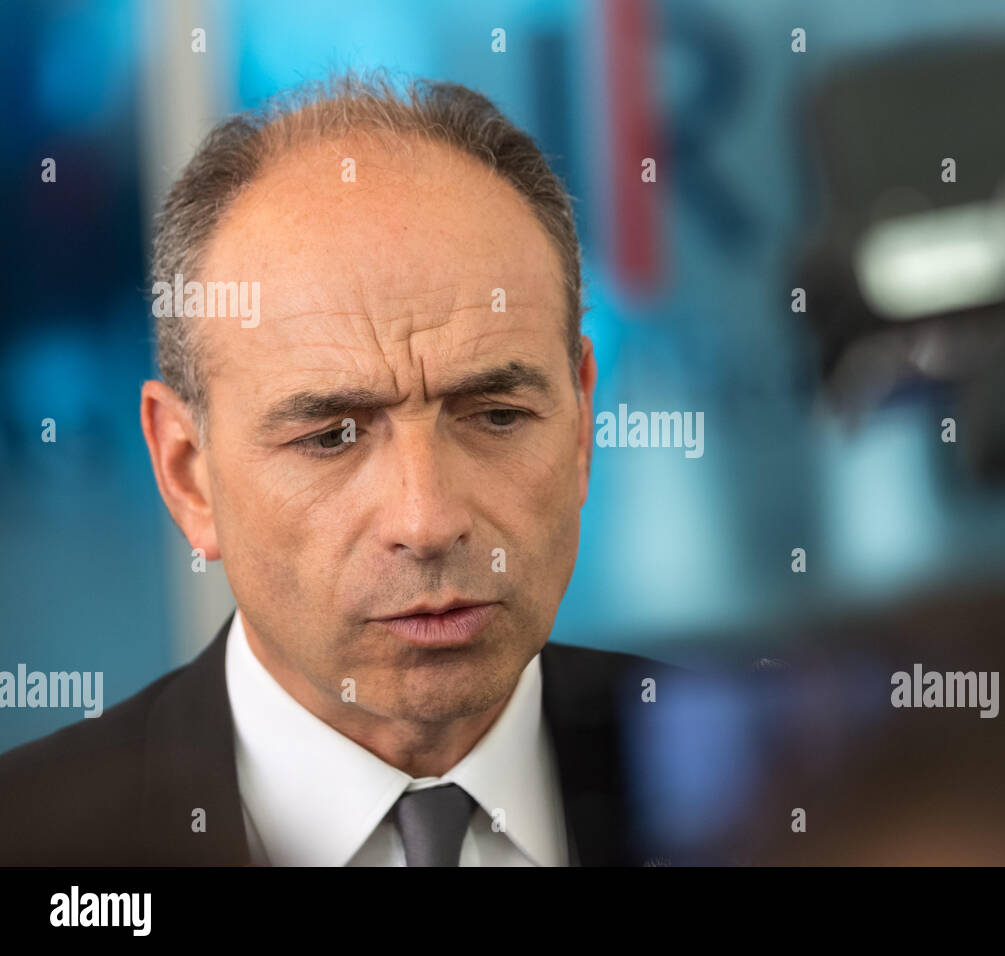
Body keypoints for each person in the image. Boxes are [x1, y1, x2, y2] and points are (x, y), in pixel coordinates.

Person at [0, 73, 679, 867]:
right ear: (187, 474)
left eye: (497, 416)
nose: (427, 522)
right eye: (331, 437)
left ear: (582, 424)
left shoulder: (768, 785)